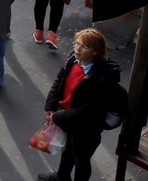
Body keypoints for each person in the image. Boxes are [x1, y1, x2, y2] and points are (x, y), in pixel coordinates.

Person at [39, 29, 122, 181]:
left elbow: (88, 109)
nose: (77, 48)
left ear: (95, 52)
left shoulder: (101, 78)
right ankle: (62, 176)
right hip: (67, 118)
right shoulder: (73, 59)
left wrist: (57, 116)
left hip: (86, 127)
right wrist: (50, 107)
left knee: (81, 160)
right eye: (77, 43)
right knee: (68, 151)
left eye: (84, 46)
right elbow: (59, 81)